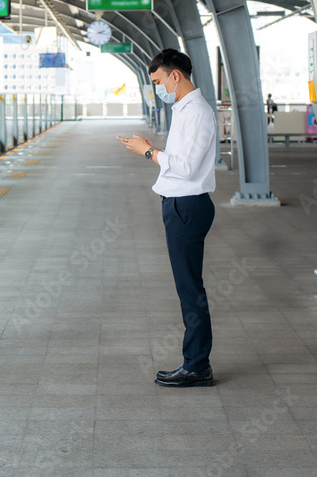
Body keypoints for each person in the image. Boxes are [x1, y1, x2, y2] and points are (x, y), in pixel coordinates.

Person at [118, 49, 217, 388]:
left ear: (176, 76)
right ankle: (195, 361)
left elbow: (187, 167)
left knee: (190, 288)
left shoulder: (197, 113)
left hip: (186, 206)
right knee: (187, 286)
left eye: (159, 81)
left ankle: (197, 365)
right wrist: (153, 149)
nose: (158, 88)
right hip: (179, 204)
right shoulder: (185, 110)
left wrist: (149, 152)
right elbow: (180, 158)